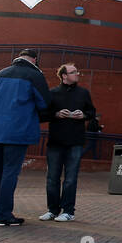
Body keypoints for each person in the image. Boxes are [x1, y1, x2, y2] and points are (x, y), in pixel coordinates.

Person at [0, 48, 50, 227]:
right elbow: (45, 104)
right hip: (17, 131)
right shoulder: (34, 75)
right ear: (34, 60)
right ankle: (3, 214)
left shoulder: (0, 74)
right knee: (10, 172)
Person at [42, 61, 95, 222]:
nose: (77, 74)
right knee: (52, 178)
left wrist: (83, 115)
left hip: (75, 141)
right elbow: (43, 114)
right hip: (55, 141)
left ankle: (68, 211)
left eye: (77, 72)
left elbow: (92, 112)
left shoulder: (83, 93)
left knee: (71, 178)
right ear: (64, 76)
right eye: (74, 72)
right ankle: (52, 210)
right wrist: (57, 114)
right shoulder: (52, 93)